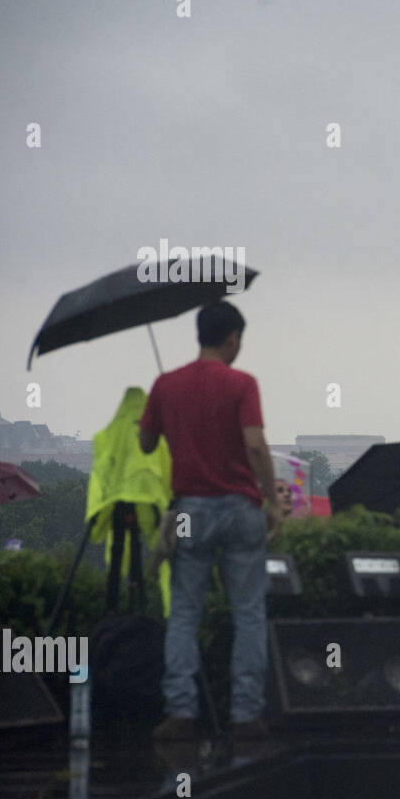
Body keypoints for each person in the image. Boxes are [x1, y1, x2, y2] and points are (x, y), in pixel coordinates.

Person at [139, 301, 280, 742]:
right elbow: (255, 444)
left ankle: (180, 713)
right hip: (239, 508)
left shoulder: (166, 384)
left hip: (189, 513)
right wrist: (272, 499)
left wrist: (164, 409)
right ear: (233, 337)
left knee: (183, 615)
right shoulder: (242, 383)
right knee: (249, 614)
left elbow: (145, 444)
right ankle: (246, 715)